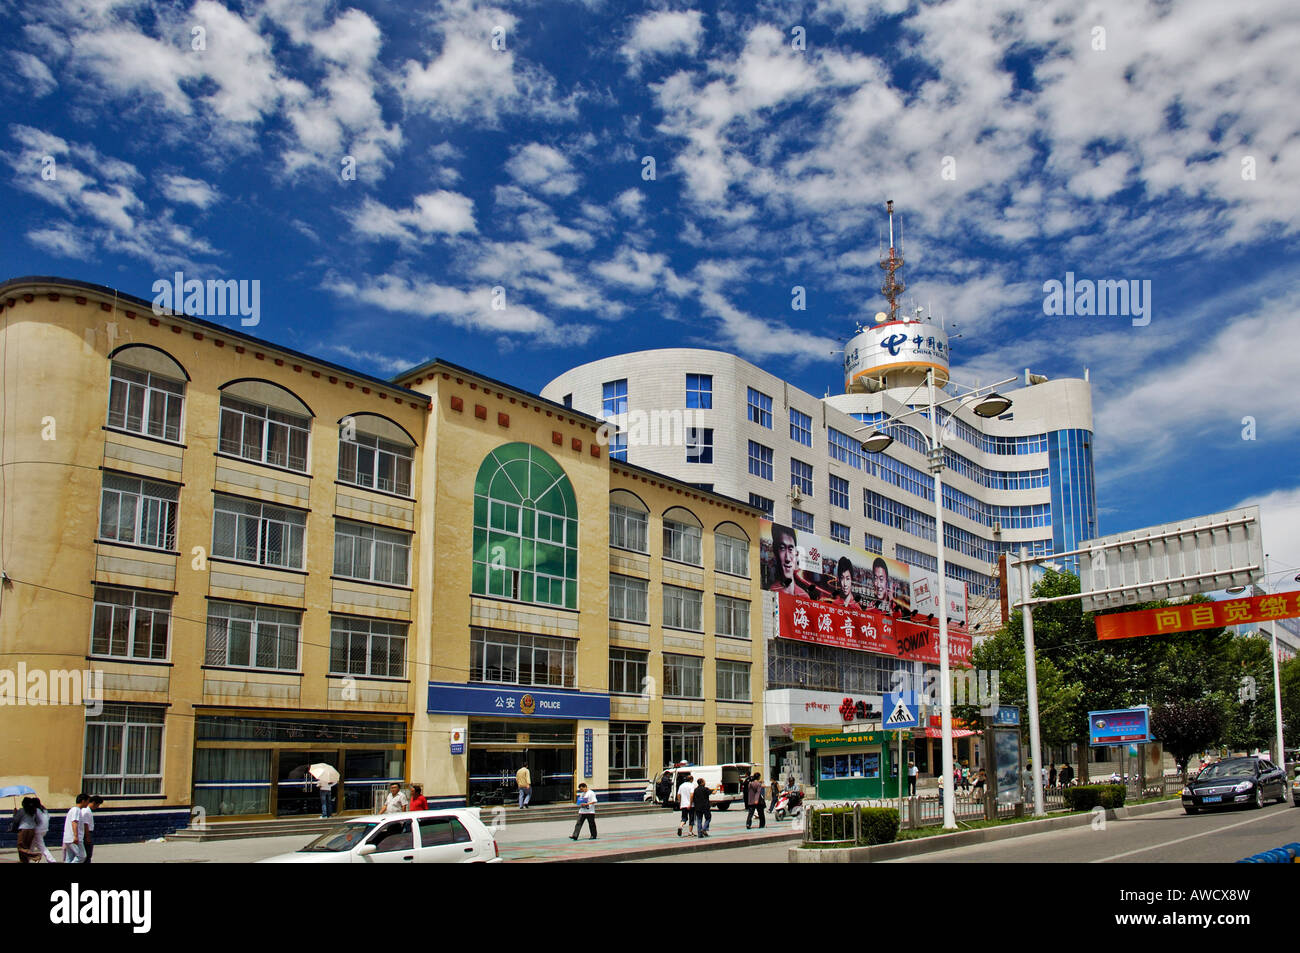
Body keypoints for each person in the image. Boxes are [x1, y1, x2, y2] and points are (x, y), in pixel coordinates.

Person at [769, 524, 811, 598]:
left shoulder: (804, 596)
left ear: (796, 553)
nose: (788, 558)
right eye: (782, 548)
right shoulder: (772, 592)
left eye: (791, 549)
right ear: (775, 551)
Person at [62, 793, 89, 863]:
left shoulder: (74, 810)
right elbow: (74, 822)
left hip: (68, 838)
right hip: (73, 838)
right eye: (87, 801)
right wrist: (76, 836)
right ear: (83, 801)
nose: (88, 803)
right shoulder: (76, 810)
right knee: (82, 856)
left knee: (69, 858)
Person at [13, 797, 38, 863]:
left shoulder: (22, 810)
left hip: (24, 830)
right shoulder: (33, 810)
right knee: (26, 847)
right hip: (32, 830)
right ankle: (24, 861)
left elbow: (16, 820)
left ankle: (35, 855)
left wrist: (15, 814)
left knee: (20, 847)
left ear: (23, 803)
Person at [31, 797, 54, 863]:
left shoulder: (35, 810)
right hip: (45, 829)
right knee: (32, 845)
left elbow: (33, 820)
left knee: (42, 847)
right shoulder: (44, 809)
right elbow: (48, 818)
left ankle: (52, 860)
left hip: (38, 830)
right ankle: (29, 858)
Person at [81, 795, 101, 863]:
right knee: (87, 853)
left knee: (88, 854)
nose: (97, 807)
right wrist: (87, 837)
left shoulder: (87, 810)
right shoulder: (86, 811)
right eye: (97, 805)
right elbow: (85, 824)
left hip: (88, 833)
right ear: (94, 803)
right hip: (87, 833)